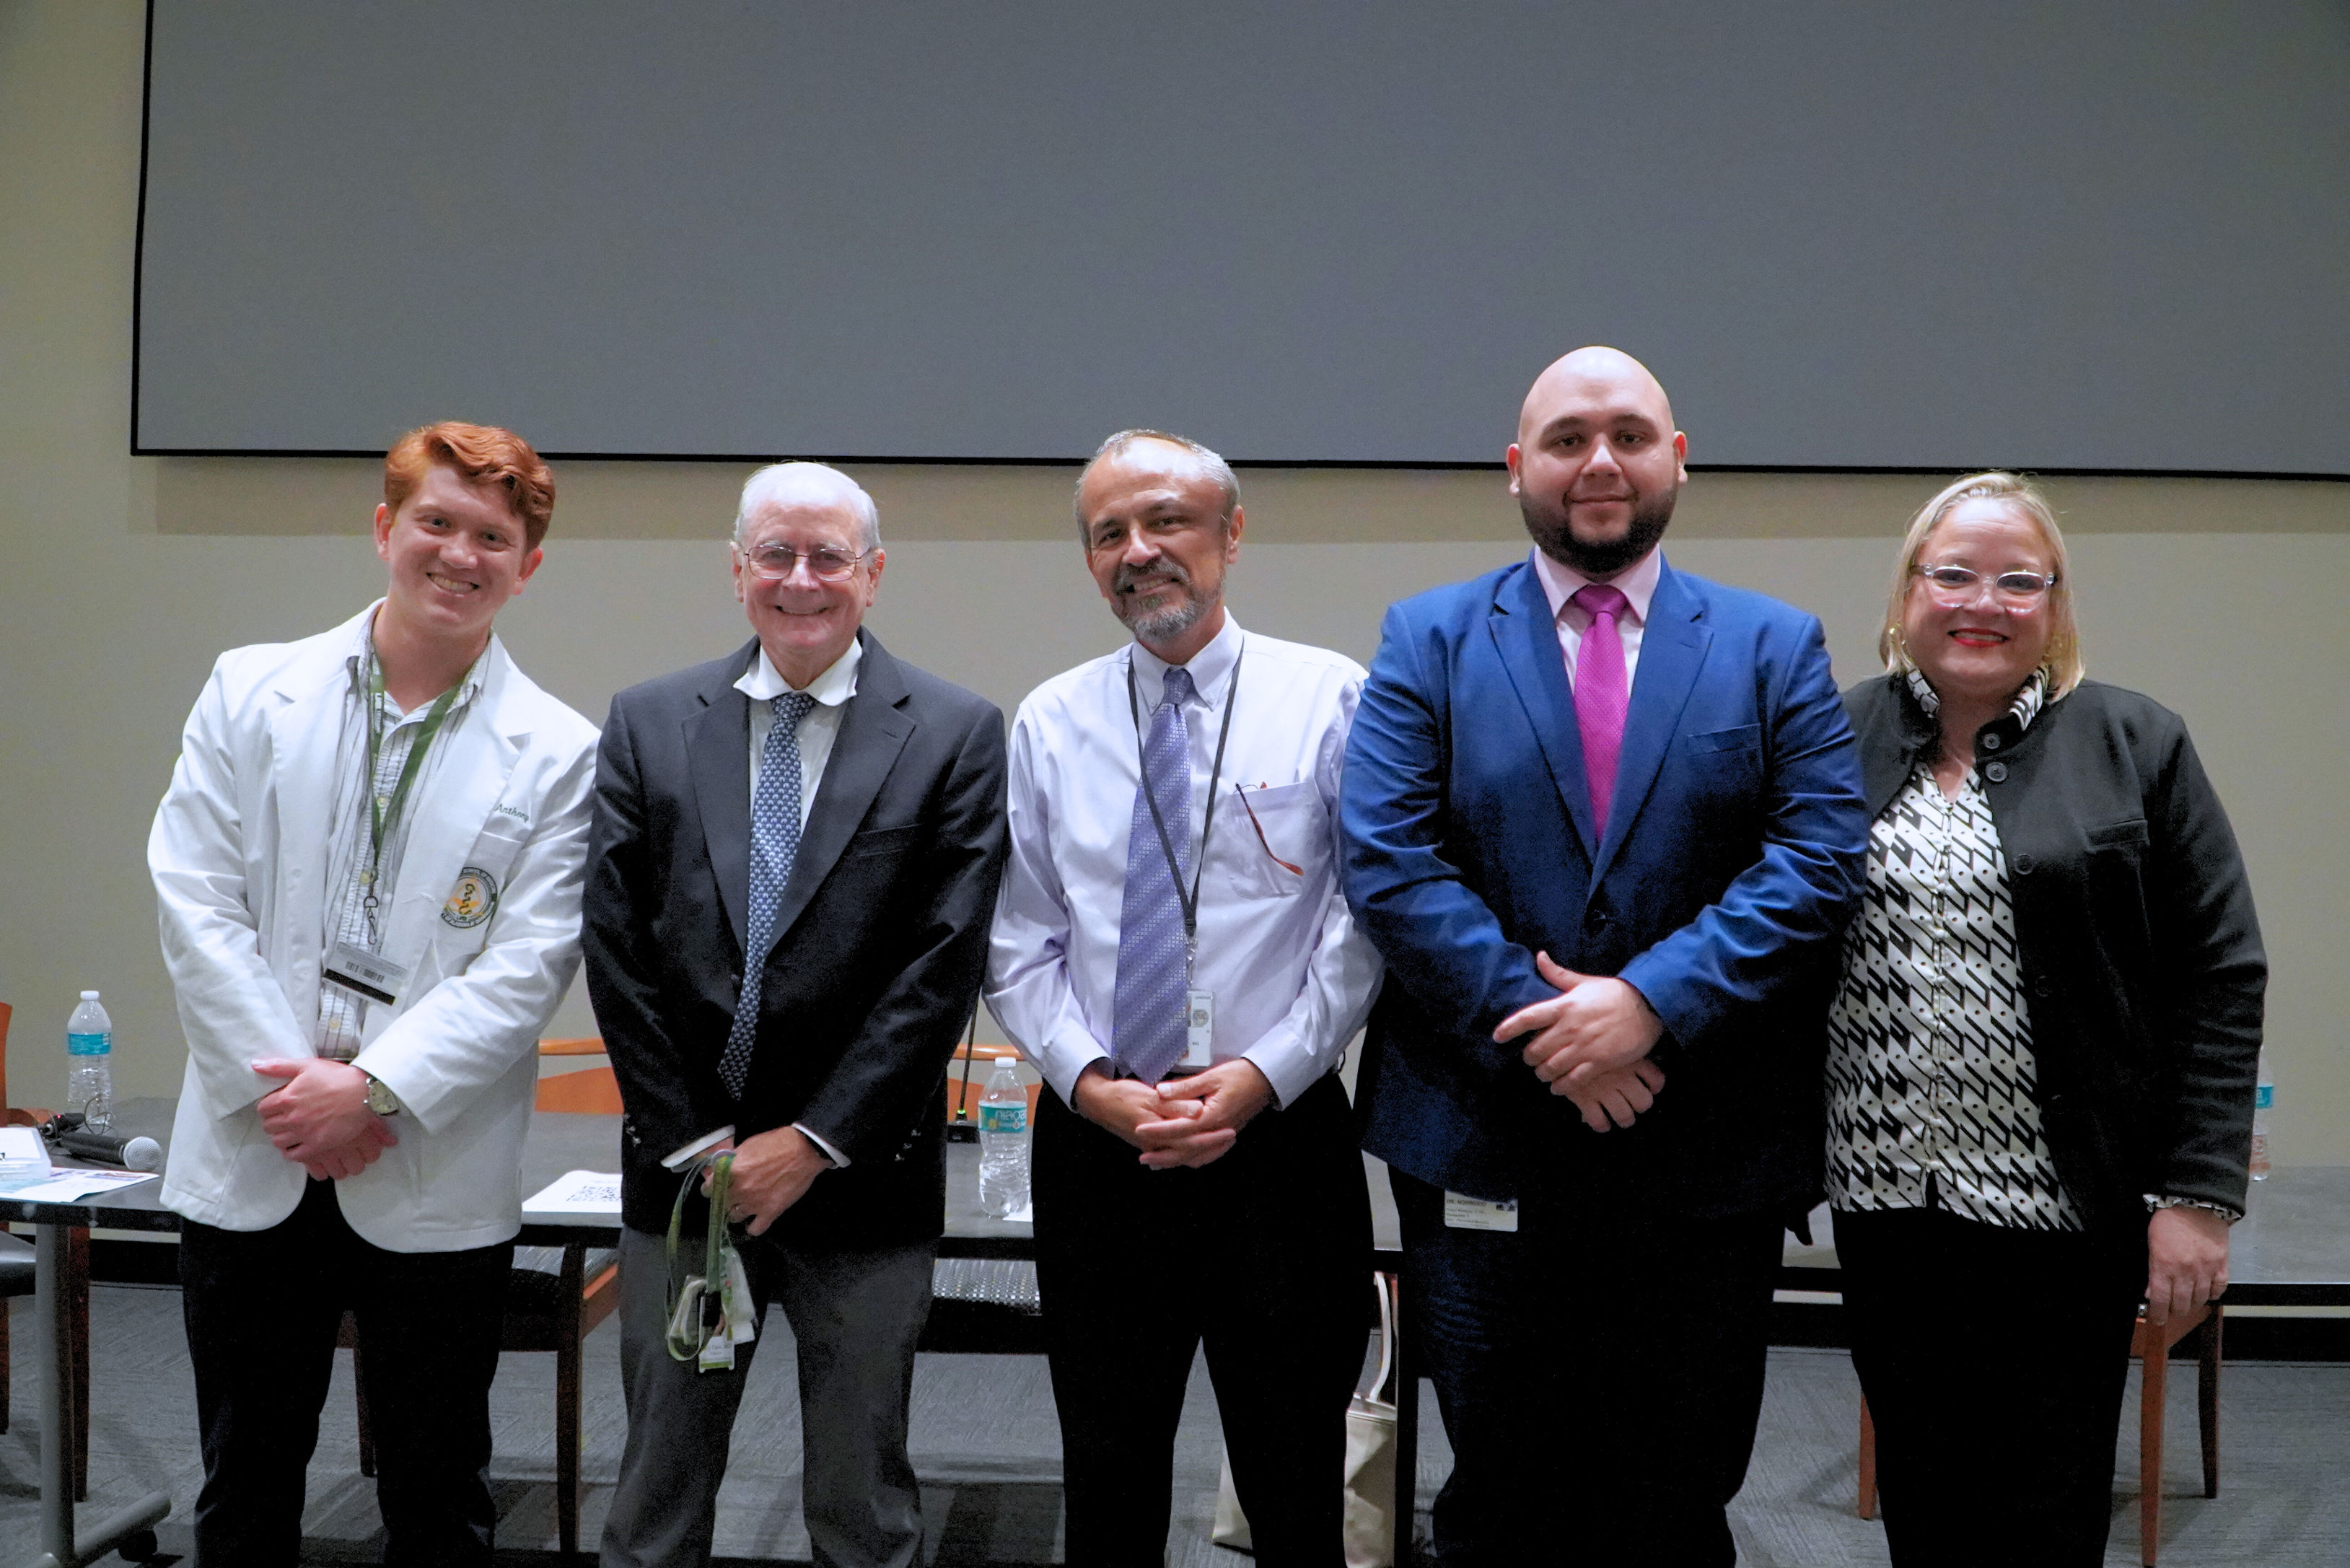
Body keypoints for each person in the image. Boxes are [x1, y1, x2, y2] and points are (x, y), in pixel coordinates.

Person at [1339, 348, 1870, 1566]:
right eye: (1567, 438)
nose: (1599, 462)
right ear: (1515, 466)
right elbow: (1388, 861)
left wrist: (1648, 1003)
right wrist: (1557, 1030)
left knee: (1677, 1490)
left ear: (1675, 460)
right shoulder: (1426, 638)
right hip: (1483, 1133)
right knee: (1499, 1488)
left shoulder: (1771, 644)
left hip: (1703, 1146)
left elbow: (1815, 862)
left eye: (1628, 435)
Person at [149, 422, 596, 1566]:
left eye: (491, 537)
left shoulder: (560, 750)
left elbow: (528, 964)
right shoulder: (251, 689)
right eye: (436, 522)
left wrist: (373, 1089)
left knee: (436, 1491)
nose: (460, 554)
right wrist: (296, 1091)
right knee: (244, 1484)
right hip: (257, 1148)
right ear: (385, 527)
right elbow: (195, 898)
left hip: (427, 1158)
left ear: (528, 566)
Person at [1828, 471, 2265, 1564]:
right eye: (1954, 574)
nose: (1984, 602)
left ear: (2056, 606)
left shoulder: (2135, 740)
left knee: (2049, 1505)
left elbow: (2220, 970)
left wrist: (2197, 1196)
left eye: (2019, 580)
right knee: (1924, 1498)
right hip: (1887, 1205)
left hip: (2066, 1211)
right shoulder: (1830, 735)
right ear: (1907, 592)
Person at [584, 462, 1007, 1568]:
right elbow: (616, 948)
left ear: (874, 574)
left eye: (829, 556)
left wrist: (812, 1141)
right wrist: (699, 1144)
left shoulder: (954, 731)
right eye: (776, 553)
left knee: (862, 1508)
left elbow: (942, 964)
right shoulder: (647, 721)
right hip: (687, 1175)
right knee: (654, 1499)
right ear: (737, 572)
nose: (801, 579)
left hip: (862, 1174)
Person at [986, 429, 1382, 1567]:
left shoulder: (1326, 695)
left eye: (1165, 520)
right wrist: (1089, 1081)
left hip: (1277, 1140)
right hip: (1101, 1144)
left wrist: (1261, 1075)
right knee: (1107, 1482)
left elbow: (1363, 922)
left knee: (1294, 1483)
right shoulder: (1051, 718)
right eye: (1108, 532)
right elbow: (1019, 939)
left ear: (1230, 534)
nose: (1137, 551)